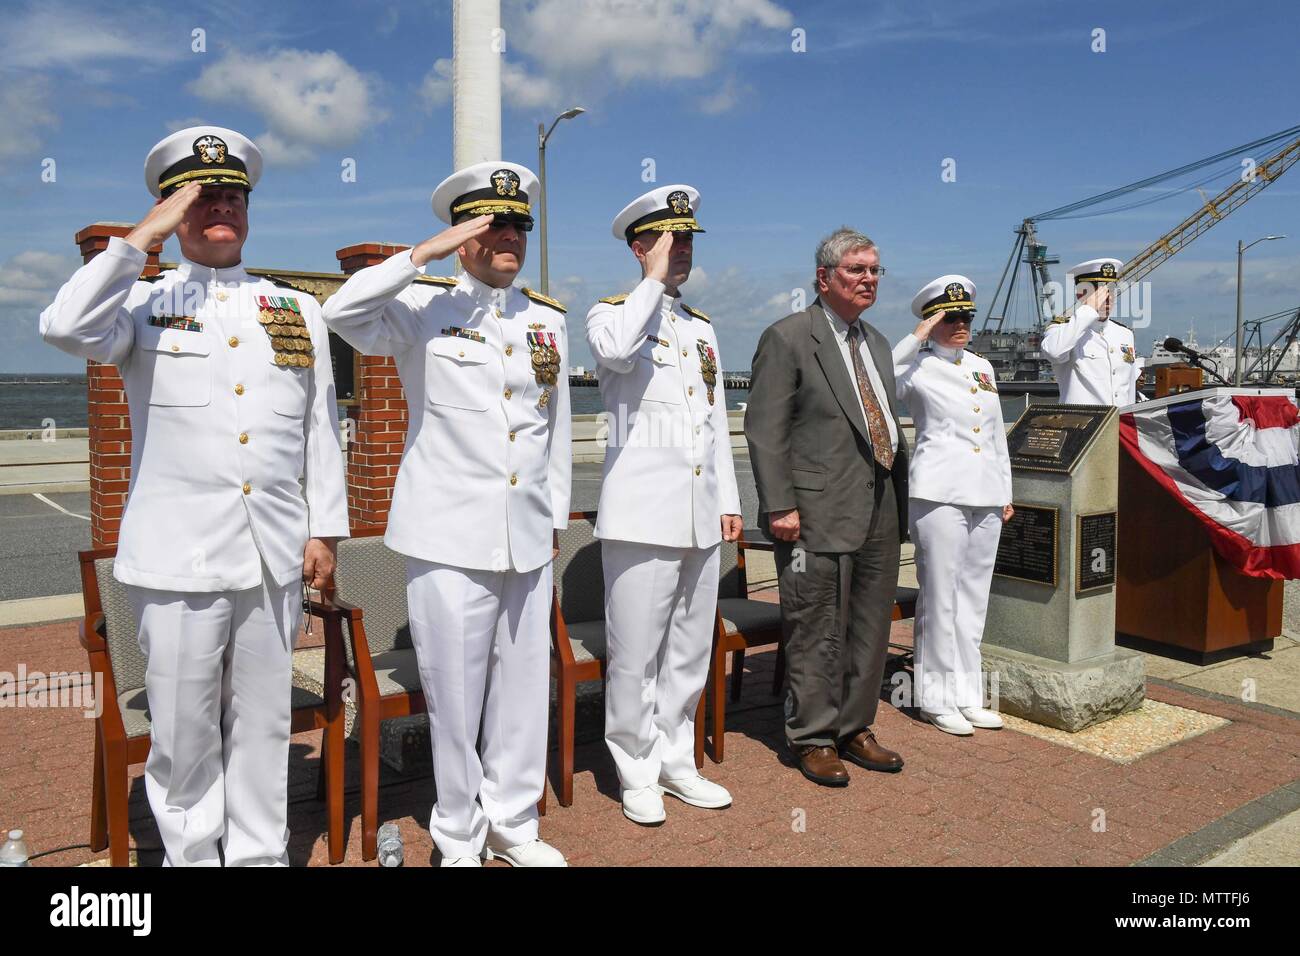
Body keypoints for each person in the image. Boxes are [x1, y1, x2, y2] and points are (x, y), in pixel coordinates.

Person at [40, 126, 350, 866]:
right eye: (203, 196)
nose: (222, 209)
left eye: (234, 196)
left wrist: (324, 530)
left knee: (263, 723)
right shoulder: (142, 300)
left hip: (273, 557)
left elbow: (319, 426)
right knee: (182, 734)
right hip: (177, 559)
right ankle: (191, 854)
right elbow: (62, 326)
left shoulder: (294, 309)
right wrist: (140, 236)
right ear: (175, 208)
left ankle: (258, 856)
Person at [321, 161, 570, 867]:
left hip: (525, 533)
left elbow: (553, 426)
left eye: (518, 224)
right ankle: (457, 833)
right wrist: (421, 253)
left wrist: (549, 513)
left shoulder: (545, 319)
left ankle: (514, 824)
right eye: (492, 226)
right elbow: (342, 315)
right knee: (455, 699)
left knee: (524, 688)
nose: (509, 238)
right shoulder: (423, 307)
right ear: (464, 235)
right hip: (447, 535)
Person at [585, 185, 741, 825]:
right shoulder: (611, 313)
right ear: (640, 245)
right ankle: (635, 769)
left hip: (699, 514)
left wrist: (728, 500)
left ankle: (678, 761)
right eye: (672, 240)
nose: (683, 252)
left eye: (690, 240)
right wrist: (649, 280)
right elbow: (617, 352)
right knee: (636, 653)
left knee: (687, 650)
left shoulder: (701, 329)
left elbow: (714, 421)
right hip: (641, 518)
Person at [744, 227, 908, 787]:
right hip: (814, 512)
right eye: (856, 270)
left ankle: (855, 727)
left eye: (874, 270)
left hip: (880, 505)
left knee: (868, 626)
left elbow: (877, 423)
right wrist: (779, 506)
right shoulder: (788, 337)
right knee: (815, 625)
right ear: (824, 277)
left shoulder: (879, 343)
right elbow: (764, 431)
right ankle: (812, 736)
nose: (868, 279)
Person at [893, 276, 1013, 736]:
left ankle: (968, 695)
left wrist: (1004, 492)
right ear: (932, 320)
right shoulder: (915, 367)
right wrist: (916, 337)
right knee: (940, 599)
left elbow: (997, 434)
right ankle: (936, 698)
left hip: (984, 494)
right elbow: (874, 378)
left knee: (973, 599)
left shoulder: (982, 367)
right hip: (939, 494)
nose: (960, 325)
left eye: (965, 317)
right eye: (949, 318)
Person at [1041, 258, 1140, 405]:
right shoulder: (1062, 330)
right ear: (1081, 295)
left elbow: (1129, 388)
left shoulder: (1125, 334)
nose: (1107, 298)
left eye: (1111, 290)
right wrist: (1088, 310)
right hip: (1083, 425)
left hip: (1120, 424)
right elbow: (1054, 353)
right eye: (1100, 293)